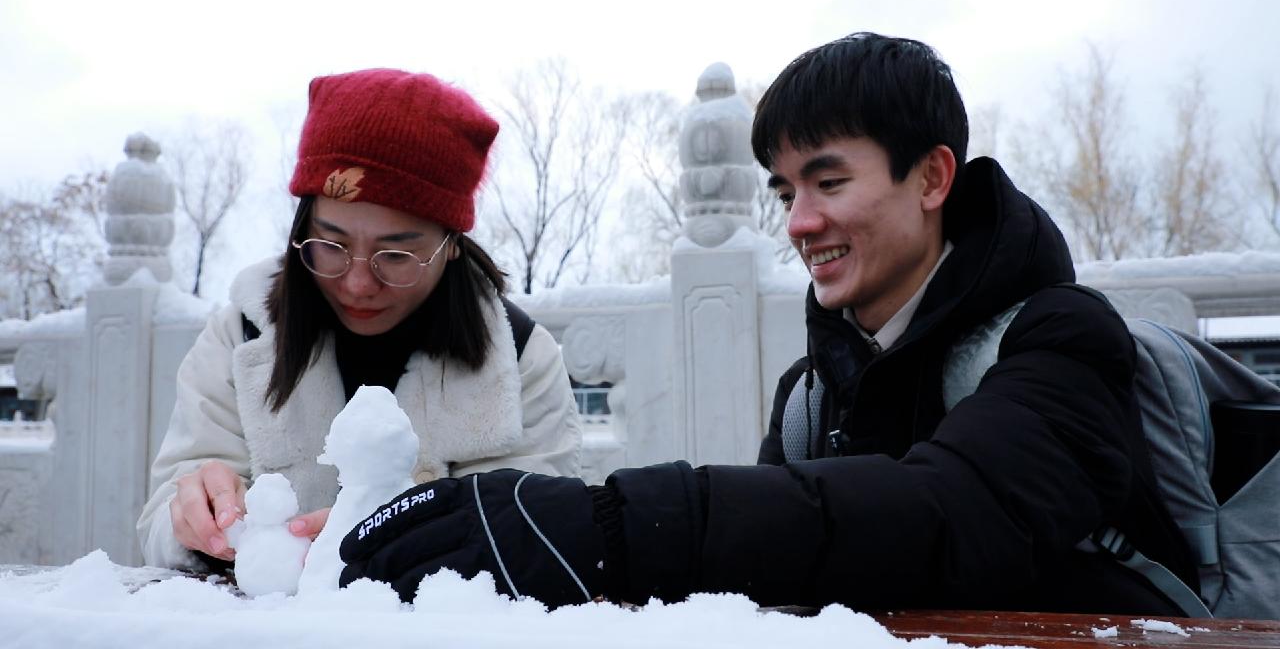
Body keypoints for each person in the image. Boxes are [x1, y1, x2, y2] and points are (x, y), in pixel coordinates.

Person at [336, 34, 1196, 615]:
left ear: (933, 178)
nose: (797, 222)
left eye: (827, 182)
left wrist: (610, 527)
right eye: (785, 192)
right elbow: (773, 579)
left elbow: (951, 515)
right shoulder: (813, 394)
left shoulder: (1061, 339)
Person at [137, 69, 582, 570]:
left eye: (395, 255)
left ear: (451, 244)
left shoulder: (519, 358)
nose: (356, 284)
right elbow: (161, 521)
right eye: (330, 245)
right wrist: (196, 520)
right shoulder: (241, 336)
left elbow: (541, 535)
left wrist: (392, 541)